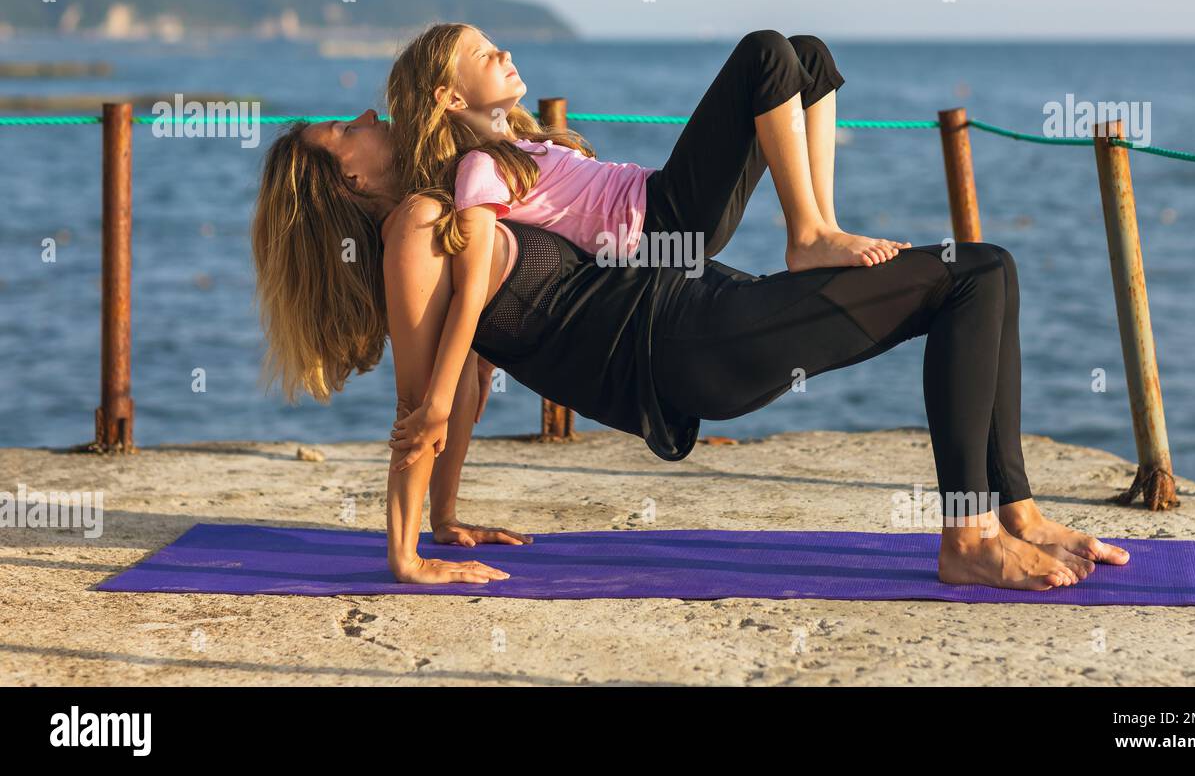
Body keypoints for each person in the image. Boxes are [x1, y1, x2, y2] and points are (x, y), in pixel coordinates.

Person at [248, 38, 1131, 592]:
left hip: (706, 303)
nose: (365, 114)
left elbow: (467, 383)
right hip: (687, 340)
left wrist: (446, 517)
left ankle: (1014, 513)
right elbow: (428, 404)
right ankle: (969, 535)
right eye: (343, 128)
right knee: (970, 277)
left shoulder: (469, 192)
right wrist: (406, 553)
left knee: (988, 270)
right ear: (350, 180)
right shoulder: (419, 224)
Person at [384, 25, 909, 460]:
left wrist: (485, 357)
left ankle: (820, 224)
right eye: (483, 53)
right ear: (451, 98)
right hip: (658, 224)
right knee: (764, 51)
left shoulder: (526, 144)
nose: (504, 52)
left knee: (807, 58)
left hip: (668, 210)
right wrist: (452, 384)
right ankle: (808, 237)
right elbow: (477, 275)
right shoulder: (479, 168)